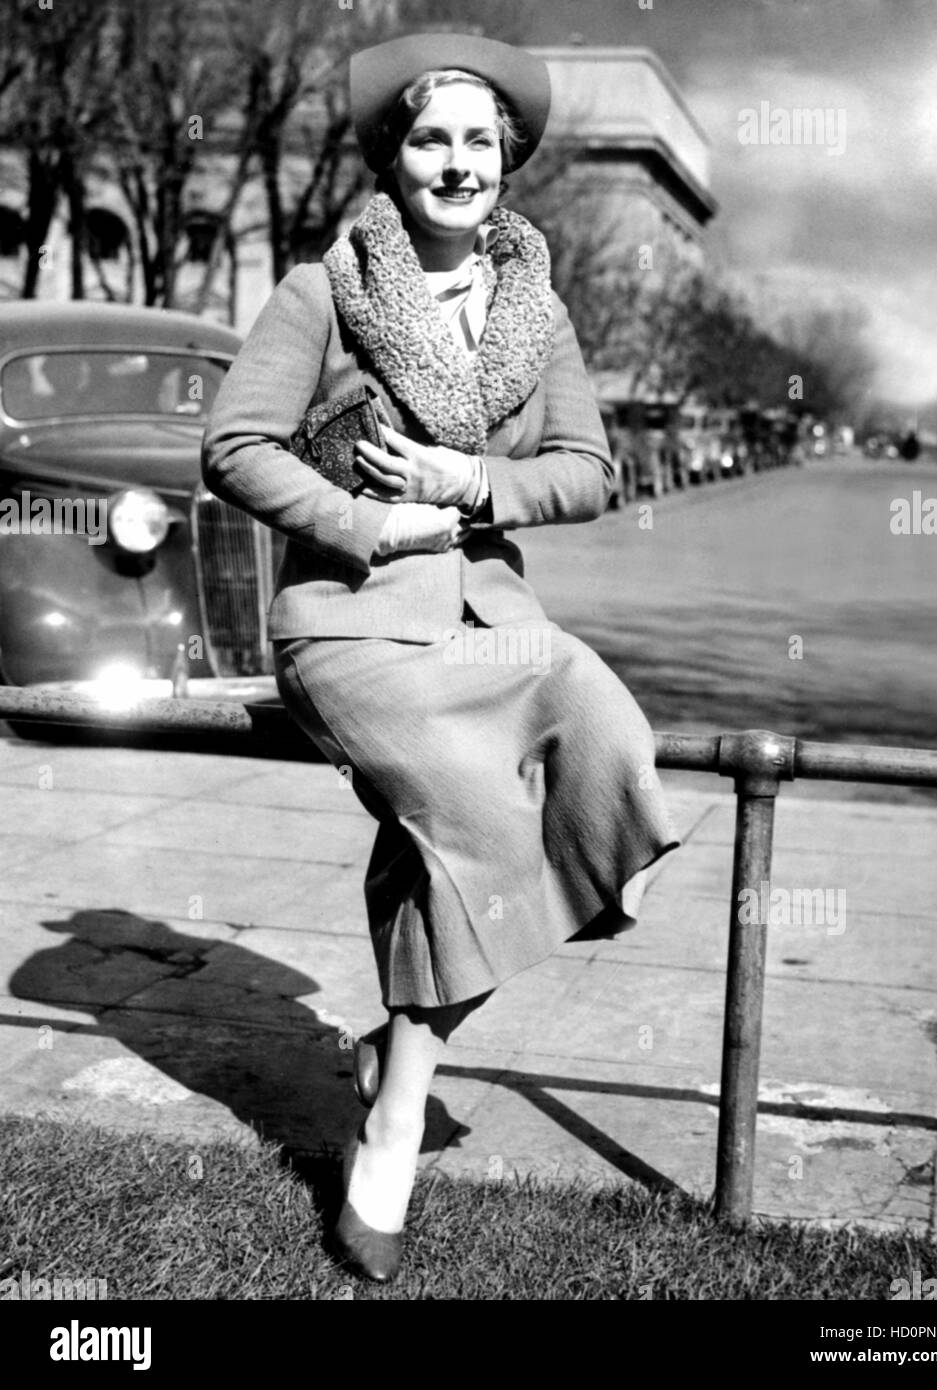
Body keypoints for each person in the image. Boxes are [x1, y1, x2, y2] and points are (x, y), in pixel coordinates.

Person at [202, 31, 680, 1283]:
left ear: (506, 163)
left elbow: (588, 471)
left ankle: (388, 1048)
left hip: (489, 618)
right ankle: (396, 1123)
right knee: (472, 825)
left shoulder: (539, 307)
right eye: (430, 139)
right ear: (392, 157)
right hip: (351, 623)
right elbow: (234, 446)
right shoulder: (325, 288)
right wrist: (374, 521)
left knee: (608, 742)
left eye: (478, 141)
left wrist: (473, 480)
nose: (455, 163)